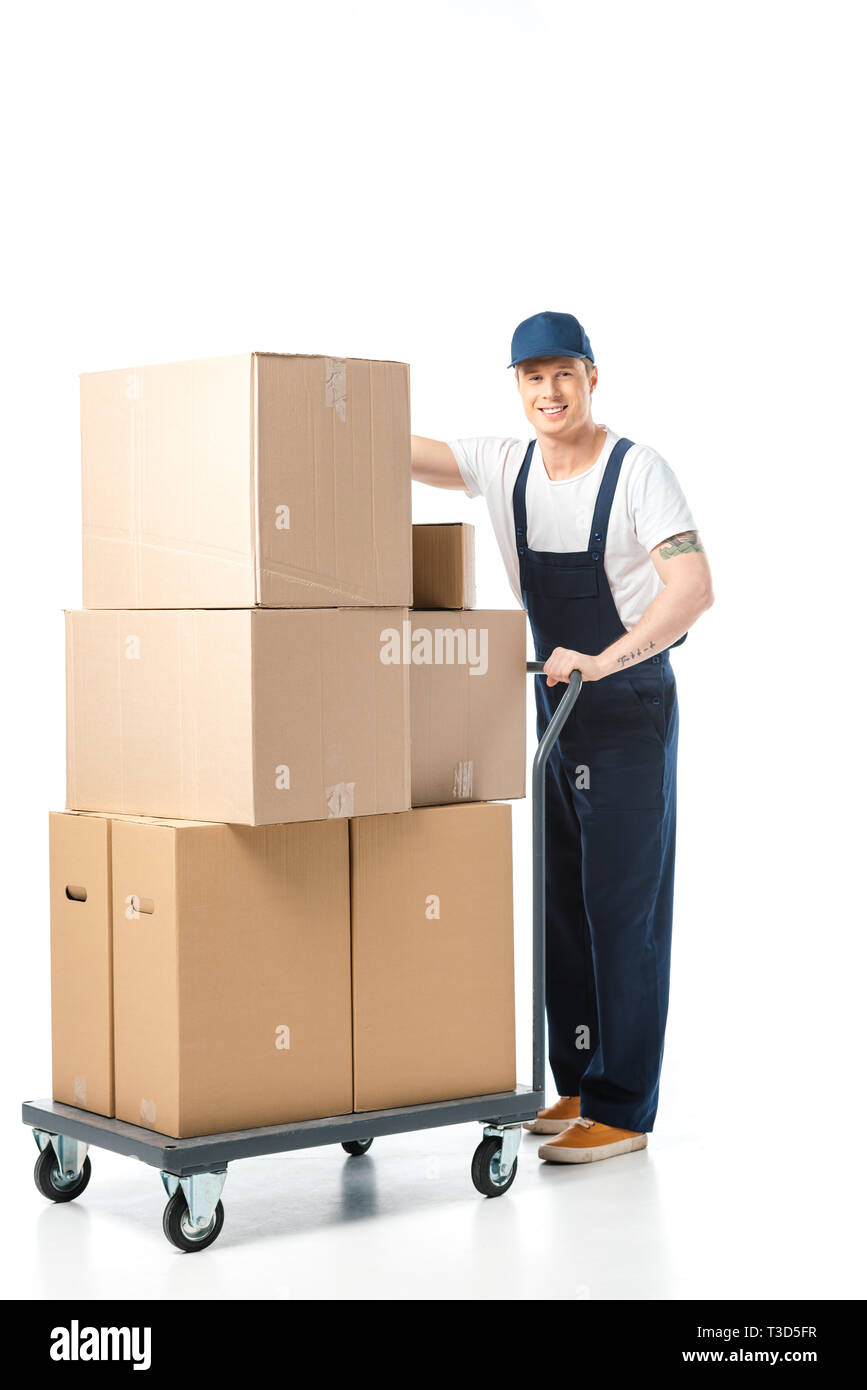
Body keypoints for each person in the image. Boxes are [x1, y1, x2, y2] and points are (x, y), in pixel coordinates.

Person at [410, 310, 714, 1165]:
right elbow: (406, 450)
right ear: (516, 385)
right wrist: (324, 397)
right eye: (531, 377)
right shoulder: (504, 465)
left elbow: (690, 590)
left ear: (591, 377)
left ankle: (622, 1108)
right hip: (555, 703)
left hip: (625, 706)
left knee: (624, 912)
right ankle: (577, 1080)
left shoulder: (637, 472)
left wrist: (607, 661)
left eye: (563, 374)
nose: (548, 392)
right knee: (565, 906)